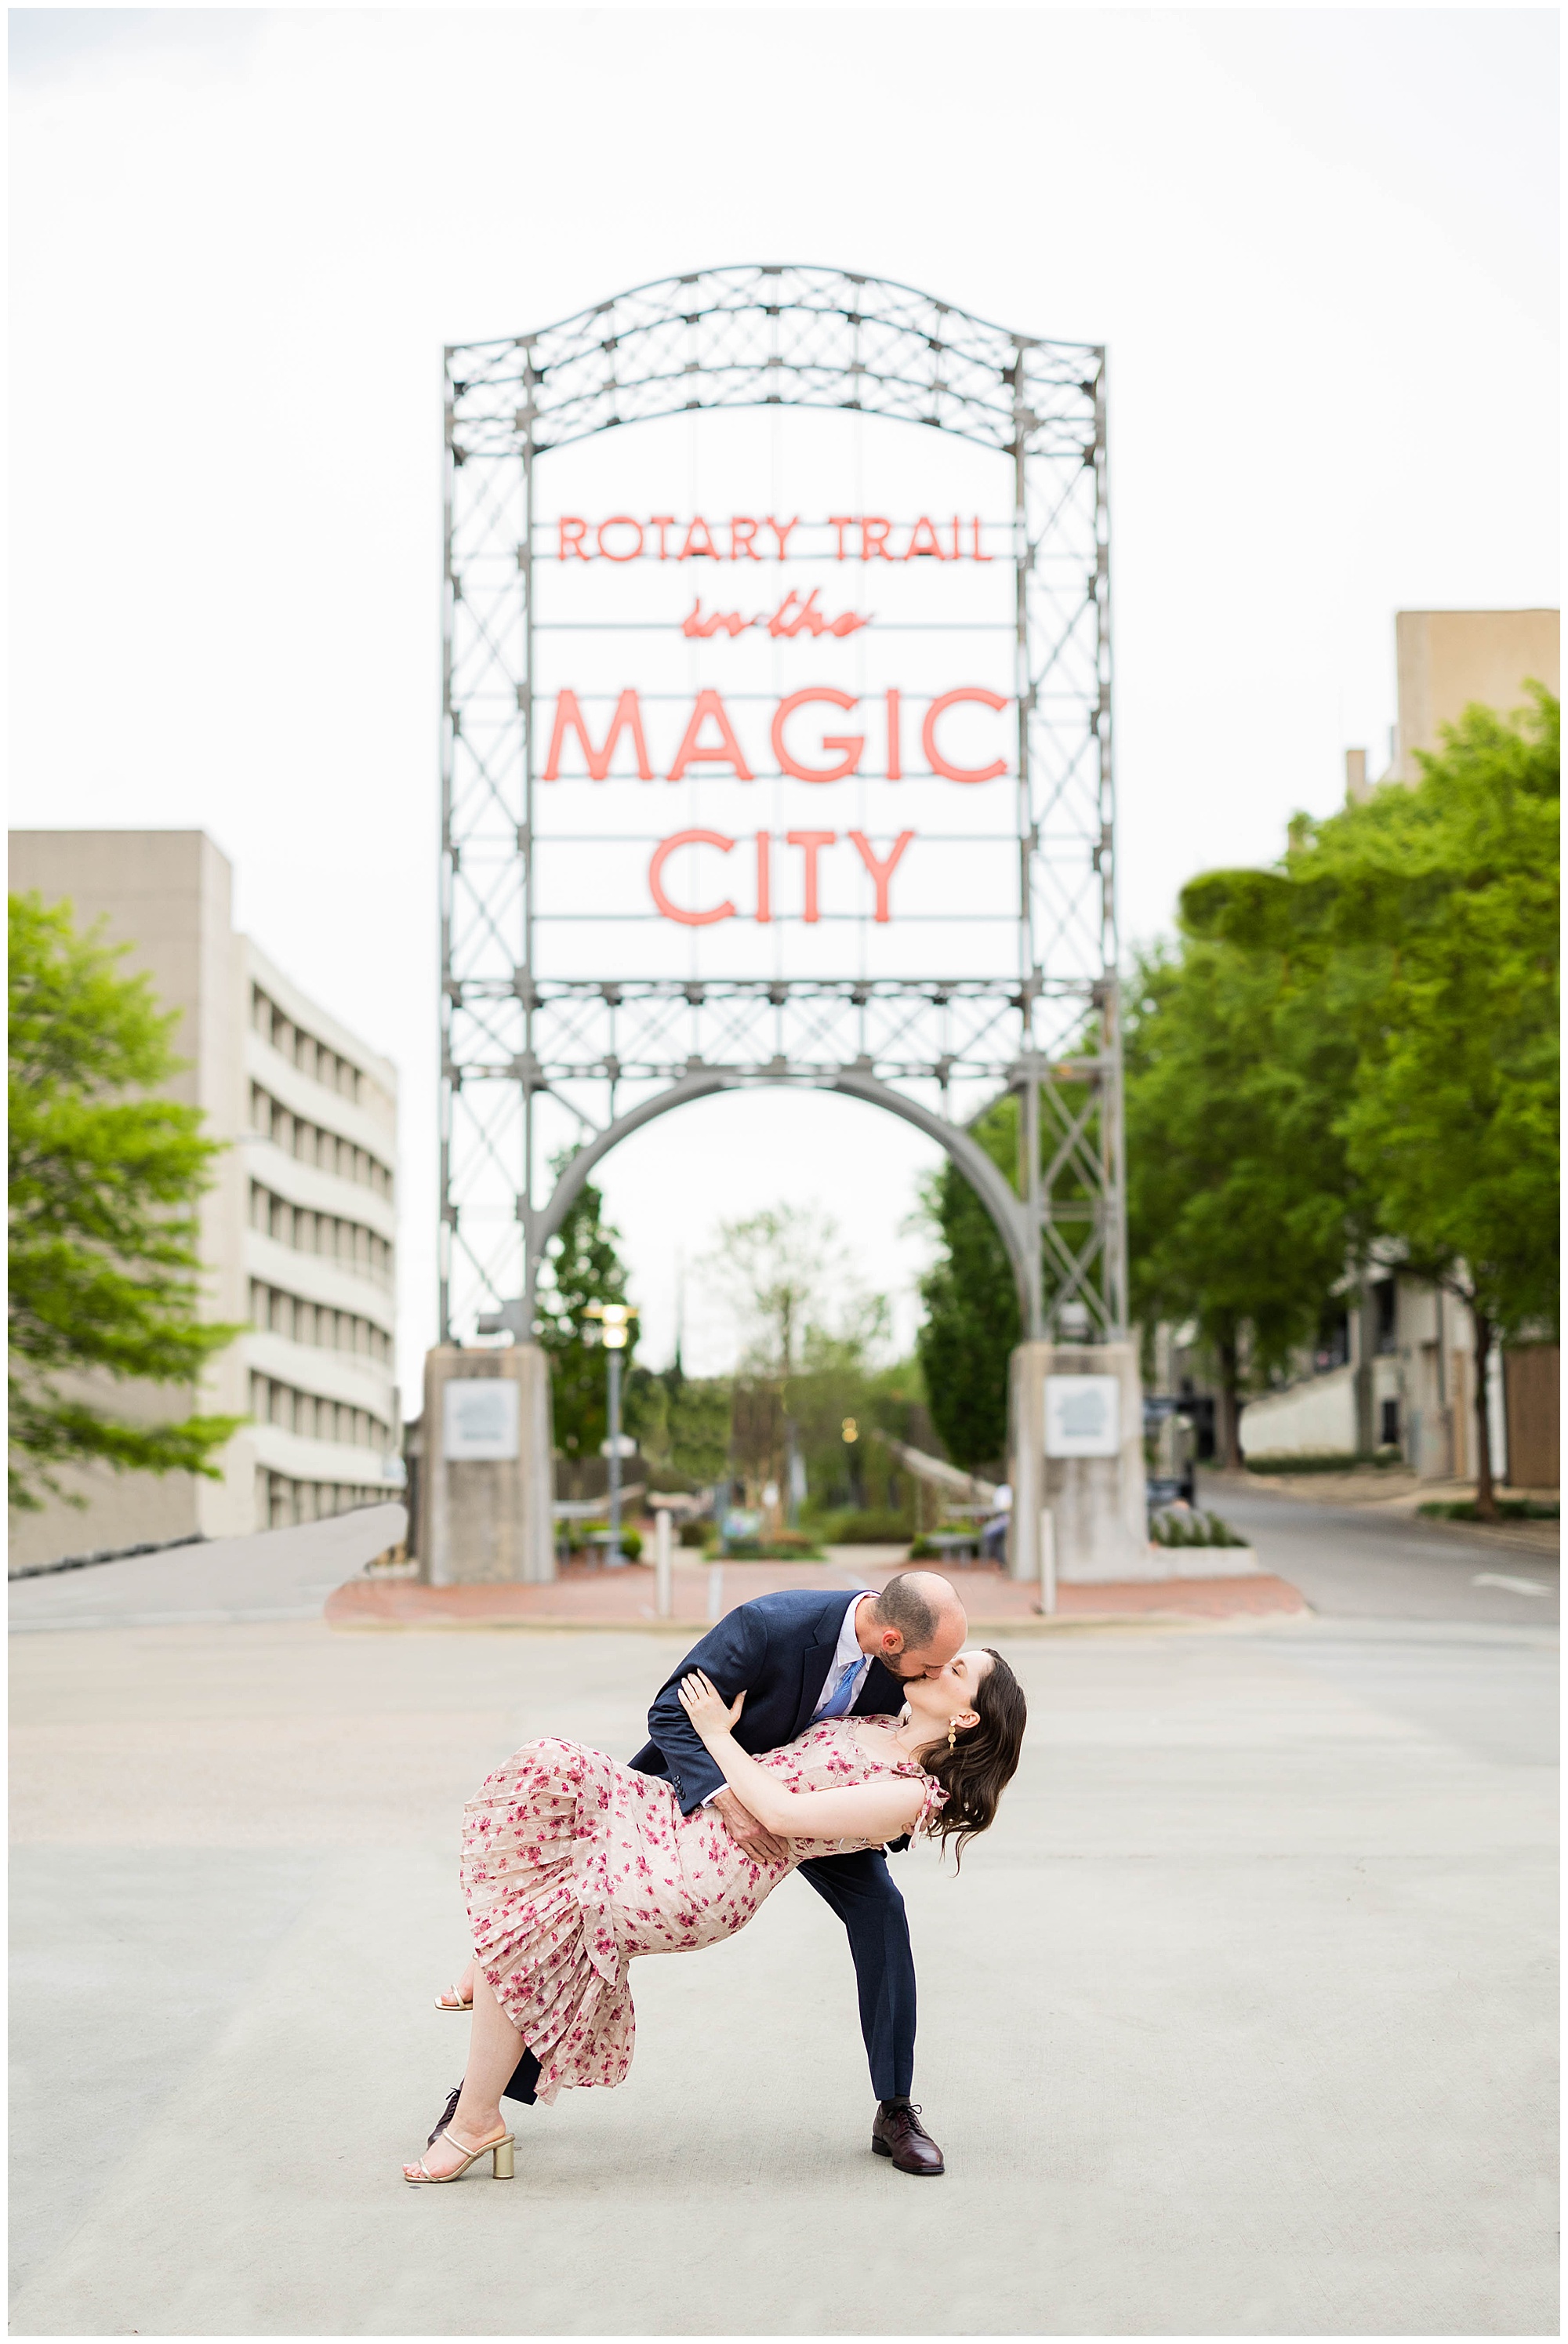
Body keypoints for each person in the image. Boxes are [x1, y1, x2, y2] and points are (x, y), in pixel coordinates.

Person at [405, 1584, 1026, 2186]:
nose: (934, 1669)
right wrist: (718, 1763)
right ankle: (482, 2074)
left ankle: (895, 2107)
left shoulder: (910, 1679)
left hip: (767, 1832)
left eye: (951, 1667)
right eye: (936, 1662)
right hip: (718, 1803)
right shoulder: (778, 1625)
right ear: (890, 1639)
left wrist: (731, 1745)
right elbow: (671, 1711)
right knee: (553, 1804)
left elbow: (799, 1812)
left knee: (882, 1911)